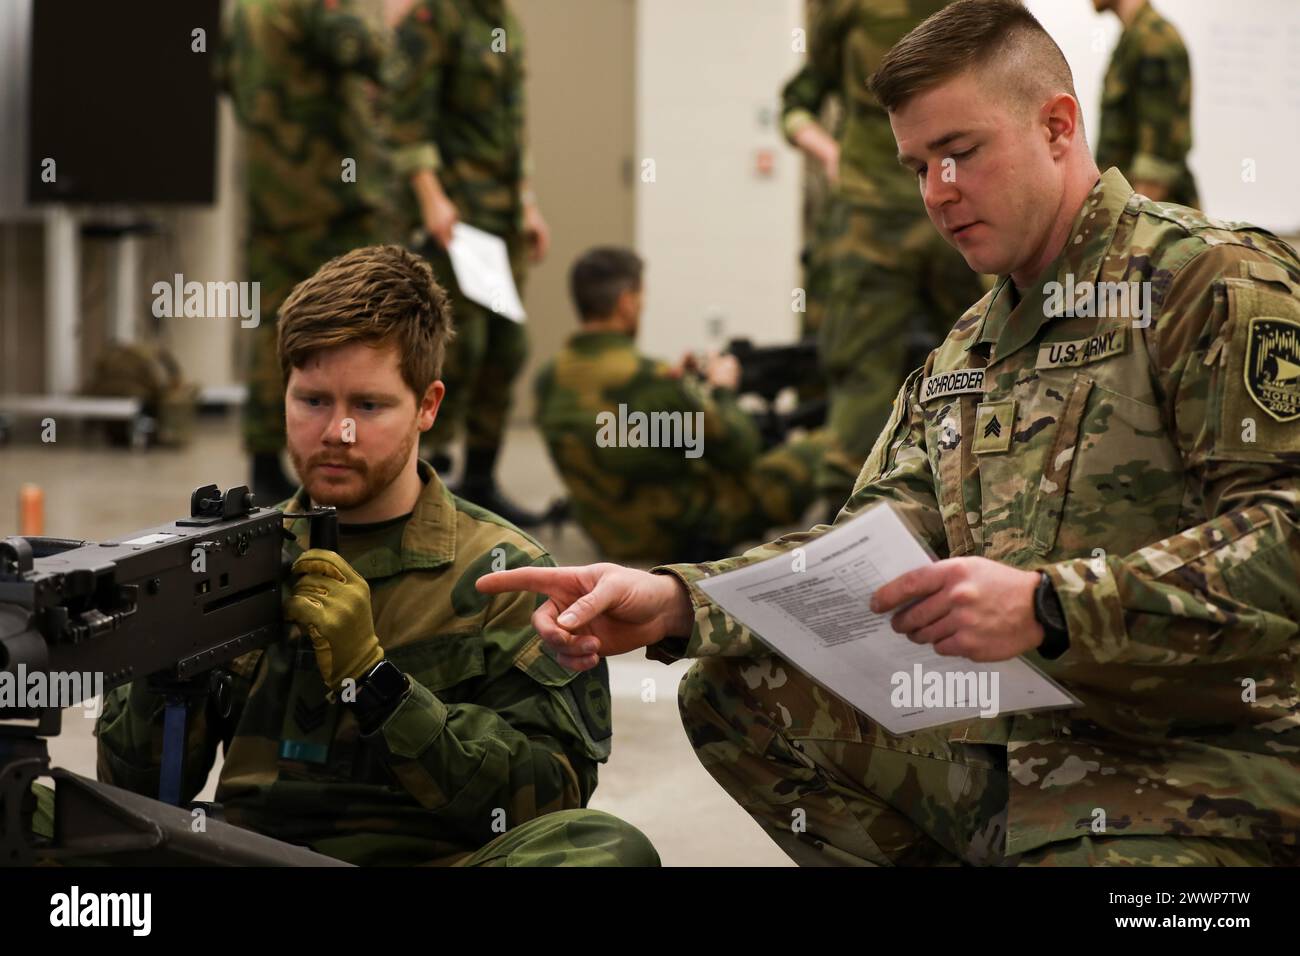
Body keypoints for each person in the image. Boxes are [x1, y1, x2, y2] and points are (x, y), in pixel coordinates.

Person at [478, 0, 1300, 866]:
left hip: (1207, 763)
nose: (938, 193)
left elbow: (1288, 531)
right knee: (734, 695)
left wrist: (1050, 606)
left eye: (961, 154)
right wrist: (681, 598)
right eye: (918, 166)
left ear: (1058, 126)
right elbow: (865, 548)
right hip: (1031, 741)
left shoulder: (1208, 281)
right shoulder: (968, 345)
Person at [96, 245, 658, 867]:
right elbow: (135, 800)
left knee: (608, 851)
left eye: (368, 406)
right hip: (247, 855)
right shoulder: (232, 559)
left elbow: (548, 802)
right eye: (312, 401)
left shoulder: (505, 574)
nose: (337, 433)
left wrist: (379, 685)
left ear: (427, 405)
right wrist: (165, 668)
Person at [782, 0, 984, 508]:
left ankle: (982, 504)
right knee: (861, 375)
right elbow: (798, 99)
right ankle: (846, 528)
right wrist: (831, 154)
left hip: (963, 205)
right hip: (871, 214)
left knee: (985, 354)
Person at [220, 0, 408, 505]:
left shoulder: (242, 9)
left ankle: (263, 462)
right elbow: (360, 47)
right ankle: (360, 450)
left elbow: (223, 75)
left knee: (273, 323)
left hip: (270, 191)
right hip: (330, 195)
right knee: (363, 319)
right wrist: (388, 18)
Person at [534, 247, 827, 564]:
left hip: (610, 533)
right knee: (826, 446)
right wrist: (722, 390)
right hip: (677, 533)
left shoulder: (549, 377)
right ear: (626, 302)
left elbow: (632, 432)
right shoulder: (654, 379)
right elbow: (741, 449)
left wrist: (684, 392)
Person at [390, 0, 550, 527]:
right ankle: (428, 480)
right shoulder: (433, 18)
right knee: (457, 350)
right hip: (456, 219)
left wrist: (526, 202)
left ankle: (480, 480)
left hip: (499, 219)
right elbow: (407, 120)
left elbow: (514, 124)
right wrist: (431, 196)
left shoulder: (501, 21)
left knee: (506, 346)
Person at [1093, 0, 1199, 207]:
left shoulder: (1154, 38)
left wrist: (1130, 228)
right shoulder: (1133, 37)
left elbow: (1158, 161)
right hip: (1132, 214)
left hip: (1151, 222)